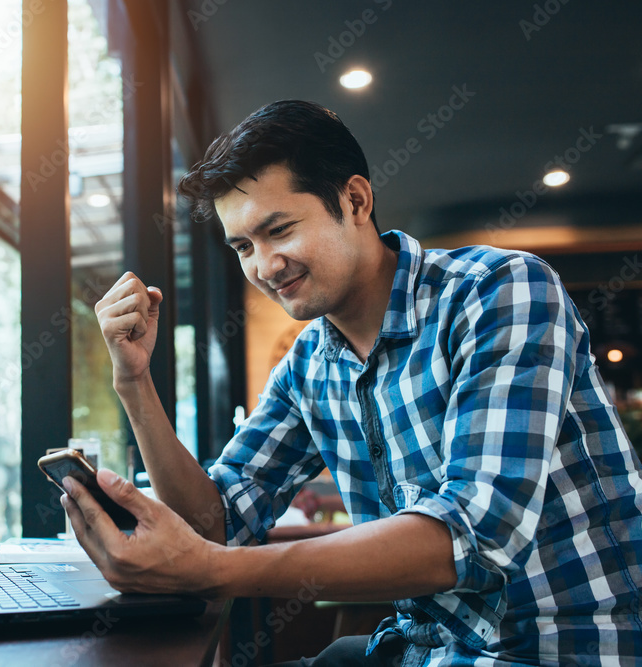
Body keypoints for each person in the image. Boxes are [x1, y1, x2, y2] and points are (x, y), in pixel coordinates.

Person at [58, 100, 642, 666]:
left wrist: (210, 570)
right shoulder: (309, 364)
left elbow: (476, 533)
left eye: (279, 229)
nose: (264, 266)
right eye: (243, 247)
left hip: (561, 649)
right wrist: (134, 382)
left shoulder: (498, 291)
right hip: (423, 650)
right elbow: (218, 523)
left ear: (355, 200)